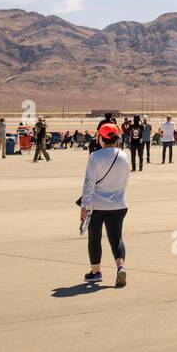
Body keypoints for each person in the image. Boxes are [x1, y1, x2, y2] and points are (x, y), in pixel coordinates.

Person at [80, 122, 131, 287]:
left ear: (100, 138)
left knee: (94, 238)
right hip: (119, 205)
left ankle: (95, 272)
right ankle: (120, 267)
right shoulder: (124, 156)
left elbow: (89, 184)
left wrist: (85, 206)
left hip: (97, 206)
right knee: (116, 238)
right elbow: (125, 181)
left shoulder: (95, 157)